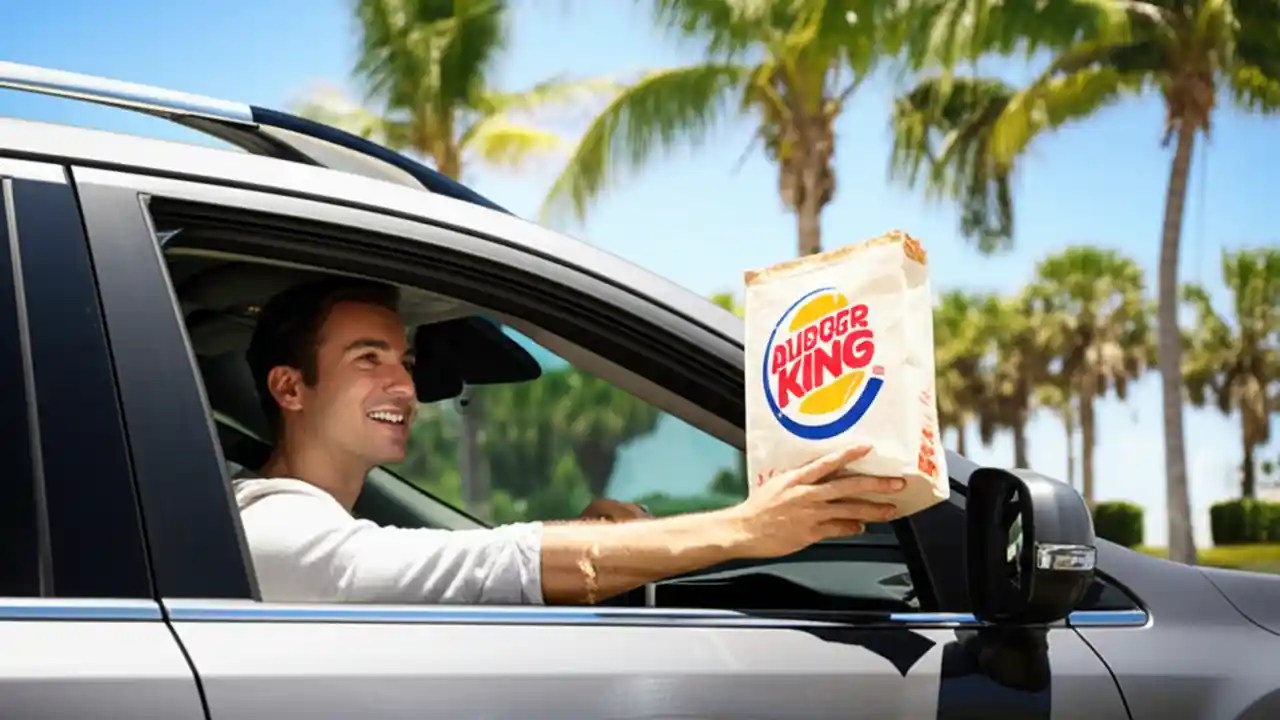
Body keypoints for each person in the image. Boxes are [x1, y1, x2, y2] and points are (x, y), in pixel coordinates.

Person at [234, 276, 906, 605]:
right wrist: (748, 527)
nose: (404, 387)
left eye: (405, 362)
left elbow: (442, 558)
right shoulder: (273, 526)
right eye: (368, 360)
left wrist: (587, 534)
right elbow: (483, 566)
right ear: (291, 389)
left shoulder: (319, 526)